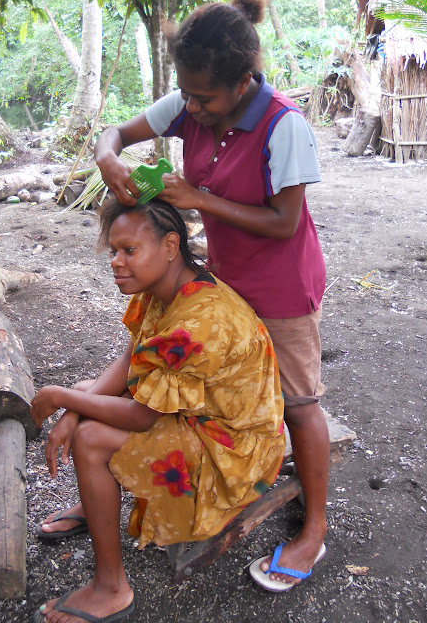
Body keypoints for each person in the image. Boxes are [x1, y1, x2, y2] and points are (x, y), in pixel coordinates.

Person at [93, 0, 329, 592]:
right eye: (187, 95)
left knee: (298, 402)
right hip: (220, 280)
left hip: (280, 284)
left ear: (243, 81)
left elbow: (284, 222)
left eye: (204, 98)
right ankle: (123, 477)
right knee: (193, 379)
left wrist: (199, 199)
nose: (191, 108)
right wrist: (108, 158)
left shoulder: (284, 125)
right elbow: (115, 133)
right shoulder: (190, 98)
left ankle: (313, 530)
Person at [32, 198, 285, 623]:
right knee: (86, 396)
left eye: (129, 250)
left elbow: (140, 416)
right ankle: (97, 503)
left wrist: (61, 399)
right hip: (201, 417)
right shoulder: (167, 288)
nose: (116, 261)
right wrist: (73, 406)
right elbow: (133, 357)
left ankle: (111, 588)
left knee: (91, 436)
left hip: (234, 452)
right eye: (114, 250)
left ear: (170, 246)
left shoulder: (201, 320)